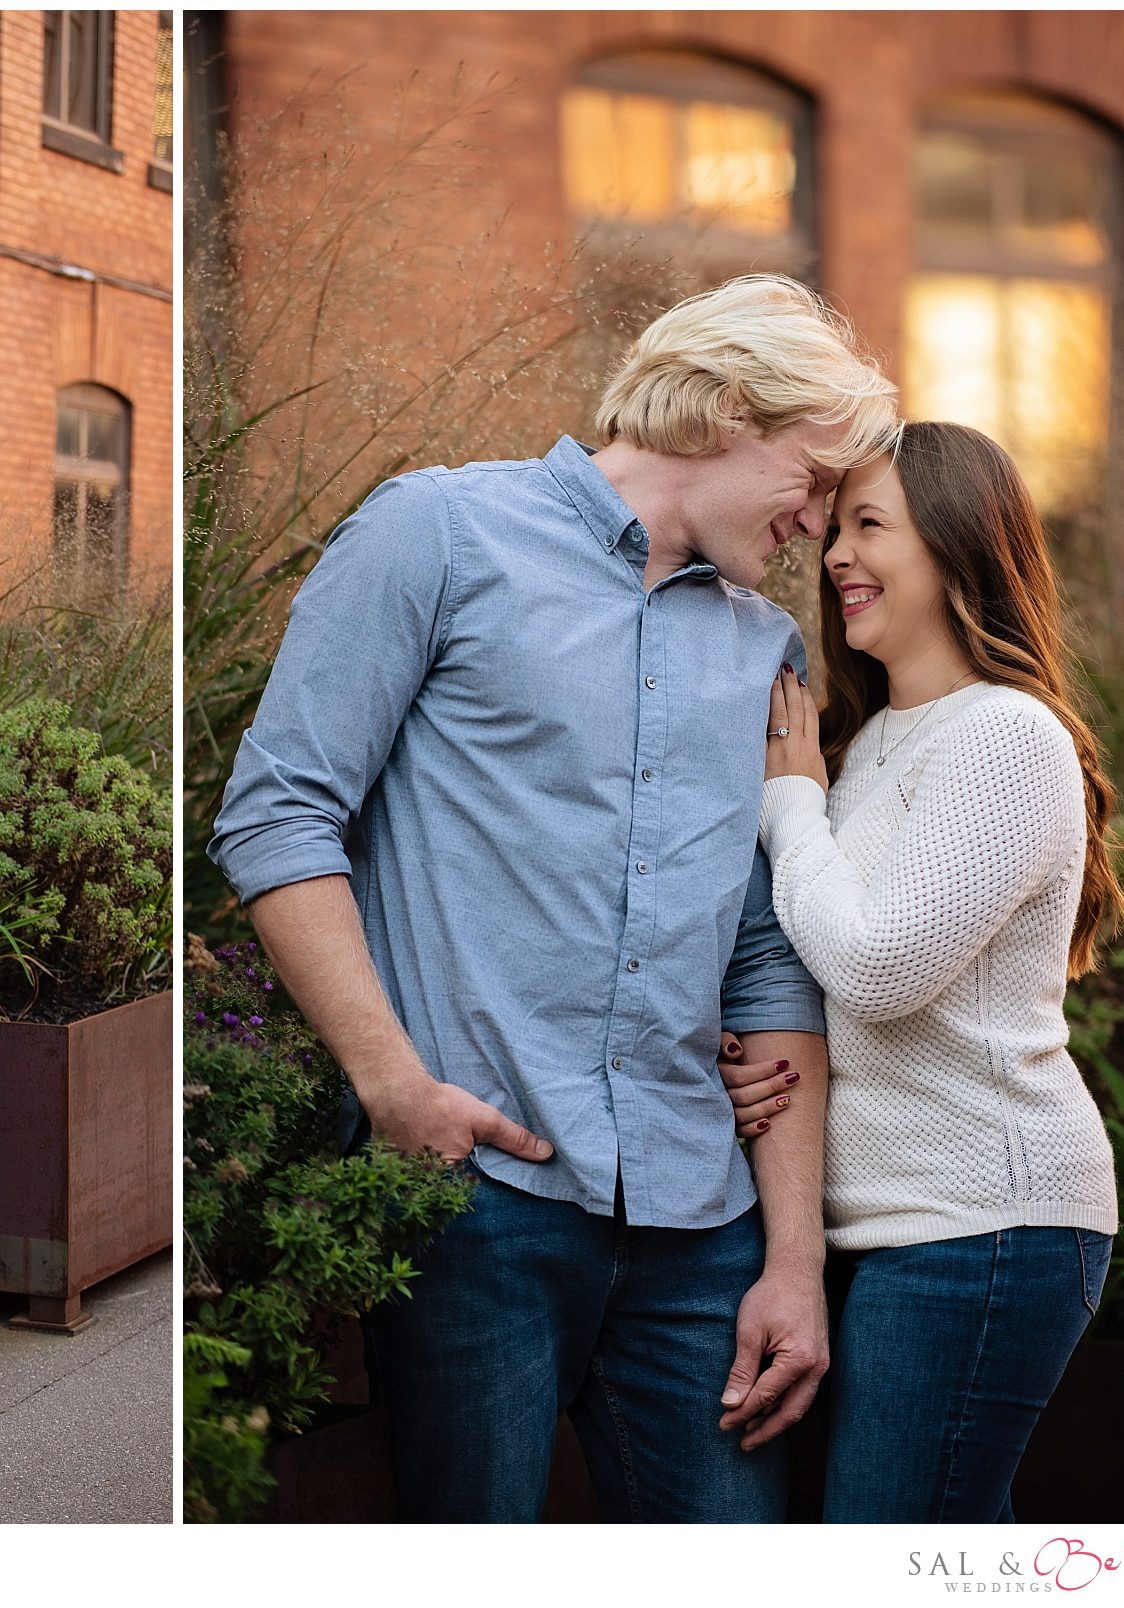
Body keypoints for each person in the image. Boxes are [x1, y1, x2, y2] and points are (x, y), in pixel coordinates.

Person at [208, 274, 902, 1522]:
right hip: (478, 1200)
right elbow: (277, 812)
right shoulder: (435, 532)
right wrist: (390, 1086)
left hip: (701, 1231)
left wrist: (792, 1260)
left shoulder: (765, 651)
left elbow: (763, 957)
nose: (818, 525)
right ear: (728, 408)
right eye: (811, 478)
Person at [746, 421, 1123, 1521]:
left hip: (983, 1225)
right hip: (886, 1228)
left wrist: (787, 805)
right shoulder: (864, 750)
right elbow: (822, 973)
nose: (834, 557)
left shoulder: (1004, 737)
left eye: (870, 526)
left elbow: (872, 968)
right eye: (833, 529)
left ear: (957, 545)